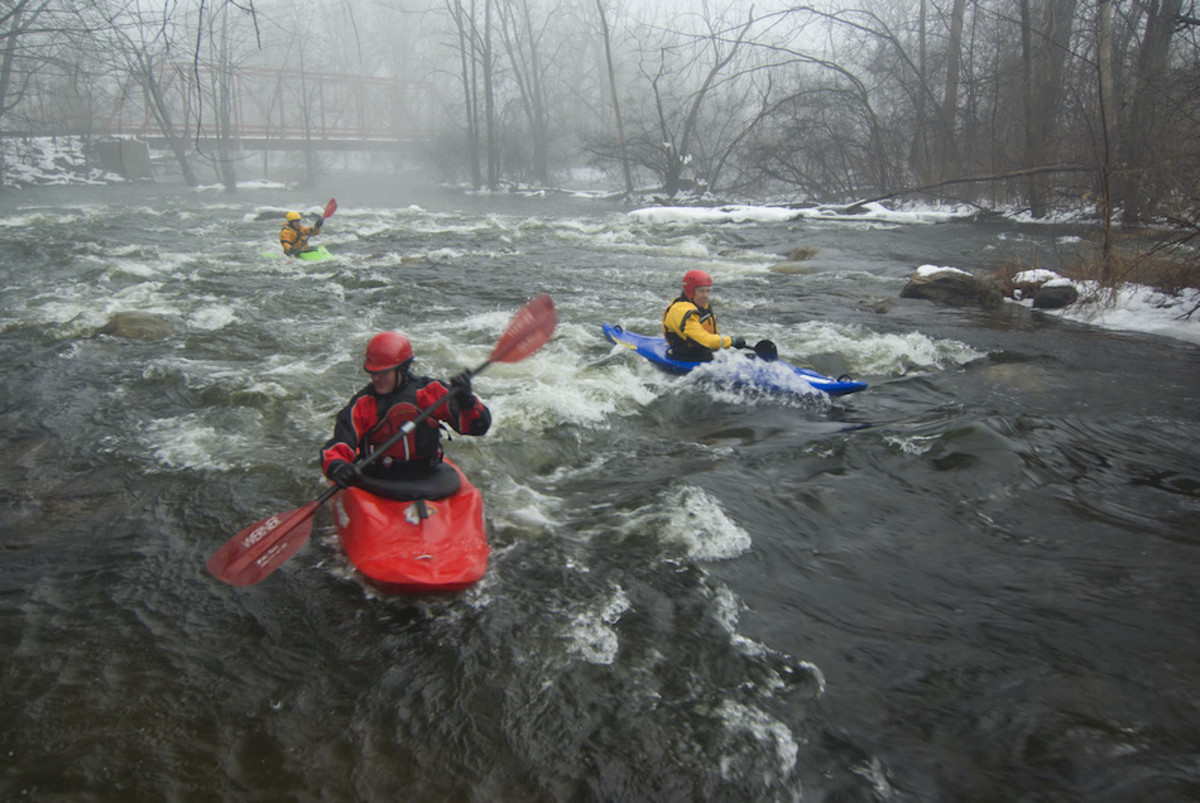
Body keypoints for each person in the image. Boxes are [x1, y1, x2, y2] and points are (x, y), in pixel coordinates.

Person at [320, 332, 492, 490]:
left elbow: (478, 428)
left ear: (402, 369)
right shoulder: (363, 404)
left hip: (428, 476)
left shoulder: (430, 392)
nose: (376, 378)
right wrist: (339, 467)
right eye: (373, 373)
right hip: (378, 478)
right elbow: (338, 445)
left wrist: (466, 401)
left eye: (383, 373)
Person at [662, 269, 746, 361]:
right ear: (690, 292)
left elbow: (711, 338)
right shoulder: (682, 311)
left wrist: (726, 344)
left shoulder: (701, 305)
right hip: (686, 356)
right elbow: (705, 340)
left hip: (703, 351)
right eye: (701, 291)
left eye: (707, 291)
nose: (706, 295)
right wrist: (731, 341)